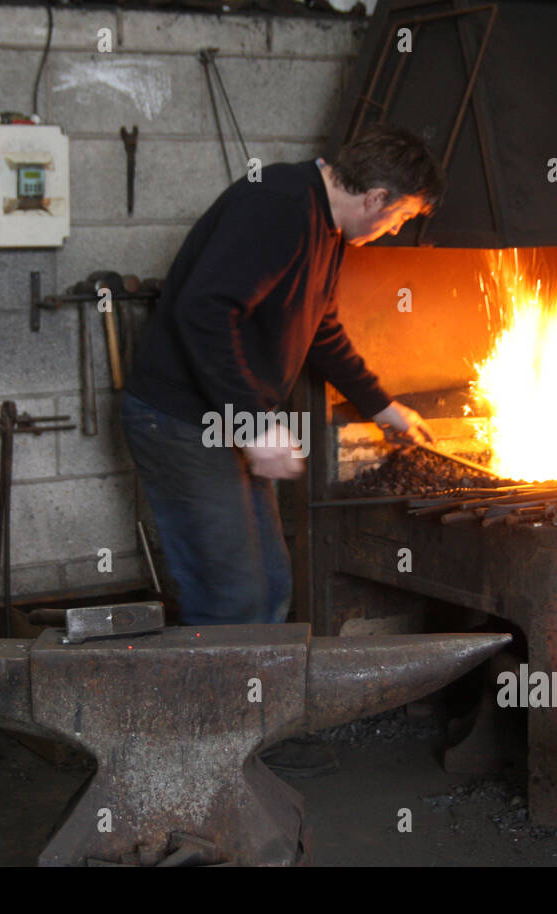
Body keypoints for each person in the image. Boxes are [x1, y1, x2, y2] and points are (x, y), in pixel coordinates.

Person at [122, 125, 444, 627]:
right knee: (232, 598)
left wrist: (381, 406)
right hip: (181, 420)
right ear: (377, 197)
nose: (397, 230)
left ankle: (256, 700)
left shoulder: (326, 225)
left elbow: (320, 327)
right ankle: (213, 704)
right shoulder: (278, 206)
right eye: (400, 216)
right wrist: (253, 424)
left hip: (224, 421)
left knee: (270, 586)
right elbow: (203, 312)